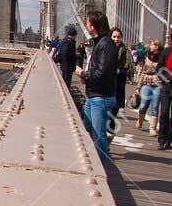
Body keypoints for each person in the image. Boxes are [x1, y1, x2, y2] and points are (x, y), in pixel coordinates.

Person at [79, 9, 119, 162]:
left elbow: (102, 73)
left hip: (100, 97)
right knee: (87, 131)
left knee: (98, 135)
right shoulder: (100, 43)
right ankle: (95, 162)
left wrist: (84, 74)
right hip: (93, 96)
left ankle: (102, 167)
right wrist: (87, 77)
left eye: (87, 22)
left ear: (93, 25)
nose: (86, 25)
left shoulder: (106, 44)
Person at [135, 41, 163, 132]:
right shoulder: (147, 57)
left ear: (157, 47)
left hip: (157, 85)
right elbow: (142, 72)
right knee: (143, 106)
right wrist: (138, 87)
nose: (150, 46)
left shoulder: (162, 58)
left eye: (152, 45)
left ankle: (152, 128)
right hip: (146, 84)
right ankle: (140, 120)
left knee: (155, 107)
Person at [111, 28, 130, 121]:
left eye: (118, 37)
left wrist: (120, 70)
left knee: (115, 107)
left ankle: (111, 125)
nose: (116, 39)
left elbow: (127, 64)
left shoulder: (124, 50)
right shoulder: (106, 48)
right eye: (114, 37)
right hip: (108, 81)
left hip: (119, 81)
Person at [52, 23, 78, 88]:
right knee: (66, 83)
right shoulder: (69, 42)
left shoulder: (64, 41)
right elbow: (65, 53)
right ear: (73, 35)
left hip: (65, 65)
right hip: (68, 66)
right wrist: (74, 56)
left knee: (65, 81)